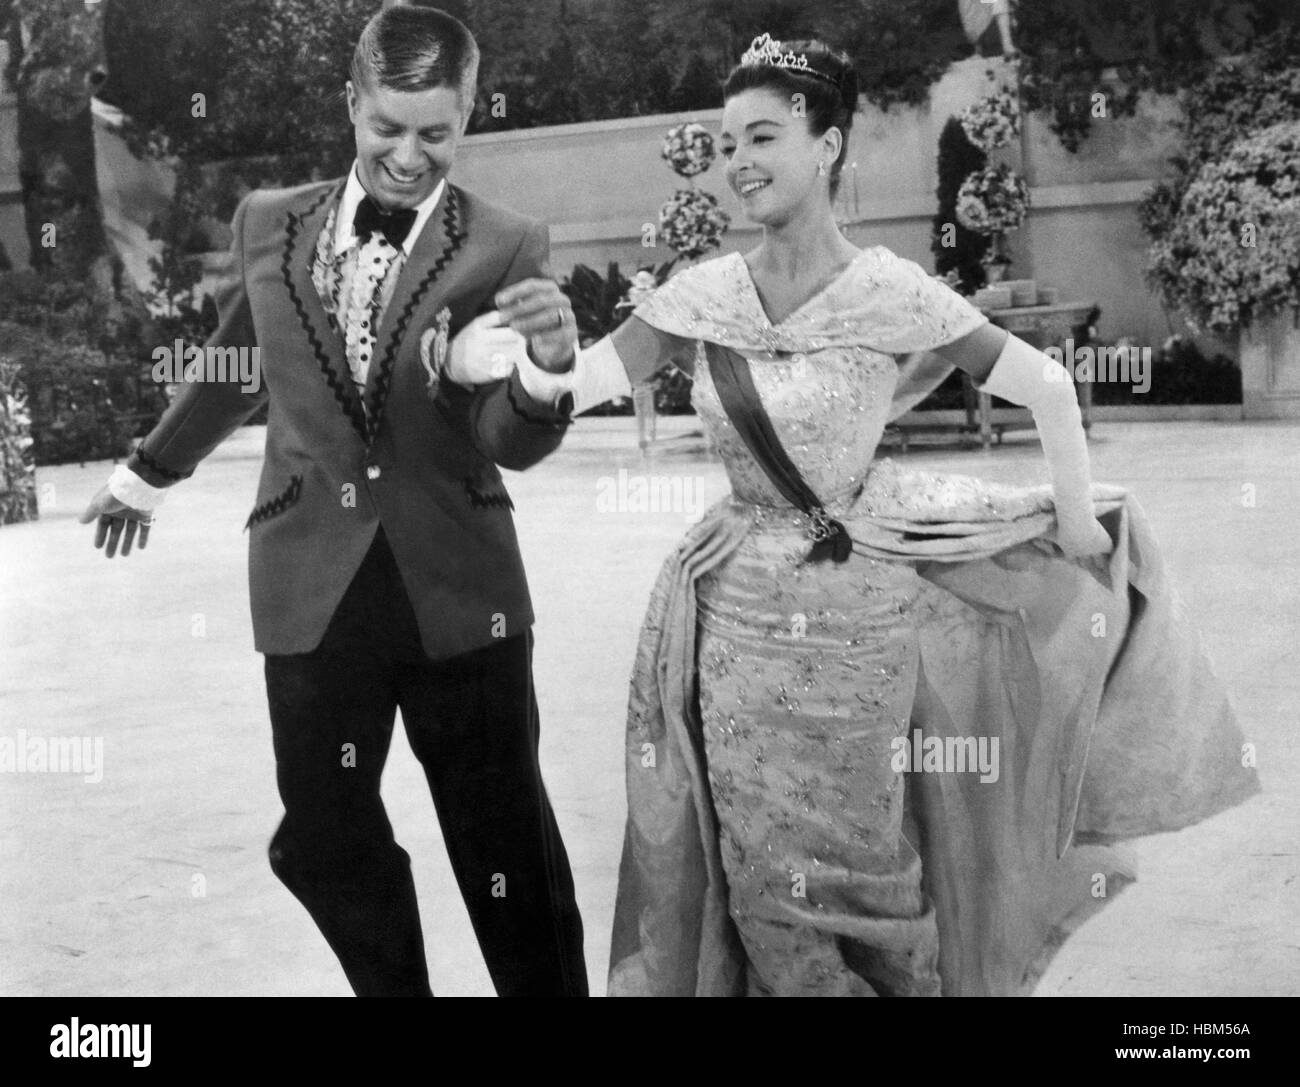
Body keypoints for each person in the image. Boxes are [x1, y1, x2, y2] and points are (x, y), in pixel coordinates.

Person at [456, 34, 1261, 996]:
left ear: (827, 144)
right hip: (735, 625)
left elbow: (1048, 386)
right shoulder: (700, 294)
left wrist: (1081, 522)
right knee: (760, 878)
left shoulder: (890, 290)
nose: (739, 162)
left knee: (871, 869)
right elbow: (579, 384)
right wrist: (542, 355)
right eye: (726, 145)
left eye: (762, 136)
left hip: (861, 622)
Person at [78, 6, 588, 997]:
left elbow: (507, 441)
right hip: (311, 582)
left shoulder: (508, 242)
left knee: (505, 852)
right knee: (319, 831)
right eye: (386, 127)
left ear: (468, 114)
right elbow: (238, 358)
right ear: (351, 104)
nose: (407, 155)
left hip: (459, 587)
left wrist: (543, 374)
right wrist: (149, 469)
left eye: (435, 133)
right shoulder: (268, 219)